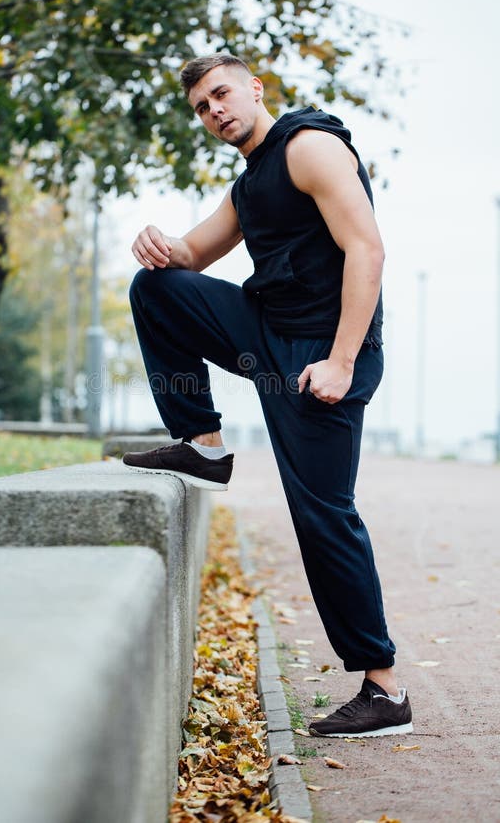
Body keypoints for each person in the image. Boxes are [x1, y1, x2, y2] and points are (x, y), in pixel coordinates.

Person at [123, 53, 413, 739]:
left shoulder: (311, 147)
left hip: (324, 354)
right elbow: (191, 255)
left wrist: (341, 362)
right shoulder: (249, 185)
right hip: (269, 332)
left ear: (255, 89)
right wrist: (158, 241)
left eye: (221, 94)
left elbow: (366, 250)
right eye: (200, 106)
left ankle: (384, 689)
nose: (214, 110)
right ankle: (203, 445)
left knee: (321, 513)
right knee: (156, 289)